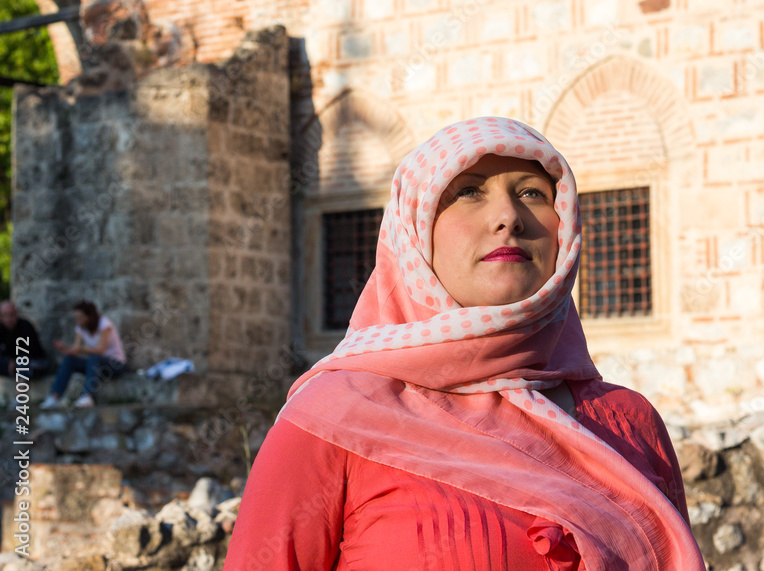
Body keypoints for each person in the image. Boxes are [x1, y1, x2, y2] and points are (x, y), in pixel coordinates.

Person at [225, 117, 704, 570]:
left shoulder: (629, 422)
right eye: (469, 191)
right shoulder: (332, 420)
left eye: (532, 193)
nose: (508, 217)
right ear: (416, 230)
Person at [41, 300, 126, 409]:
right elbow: (76, 349)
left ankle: (87, 396)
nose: (77, 320)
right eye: (76, 318)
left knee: (94, 357)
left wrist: (80, 349)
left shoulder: (104, 324)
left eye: (80, 317)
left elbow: (100, 350)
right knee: (69, 360)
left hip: (115, 364)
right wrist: (66, 349)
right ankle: (55, 397)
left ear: (89, 317)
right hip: (96, 365)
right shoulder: (80, 327)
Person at [0, 300, 50, 380]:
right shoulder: (2, 329)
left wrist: (13, 361)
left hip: (36, 362)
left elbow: (29, 352)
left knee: (22, 363)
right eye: (5, 315)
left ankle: (21, 388)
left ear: (16, 314)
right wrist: (10, 361)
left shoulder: (25, 327)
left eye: (11, 315)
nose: (8, 319)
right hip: (14, 365)